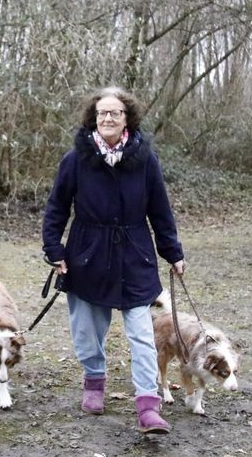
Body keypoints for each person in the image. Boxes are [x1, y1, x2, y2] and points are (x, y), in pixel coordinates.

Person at [41, 86, 186, 435]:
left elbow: (160, 210)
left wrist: (173, 252)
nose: (108, 118)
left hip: (135, 255)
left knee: (141, 334)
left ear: (127, 119)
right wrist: (54, 250)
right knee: (88, 331)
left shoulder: (145, 159)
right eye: (102, 113)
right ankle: (94, 380)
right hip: (87, 254)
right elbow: (56, 208)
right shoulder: (75, 159)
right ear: (94, 117)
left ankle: (148, 404)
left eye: (115, 113)